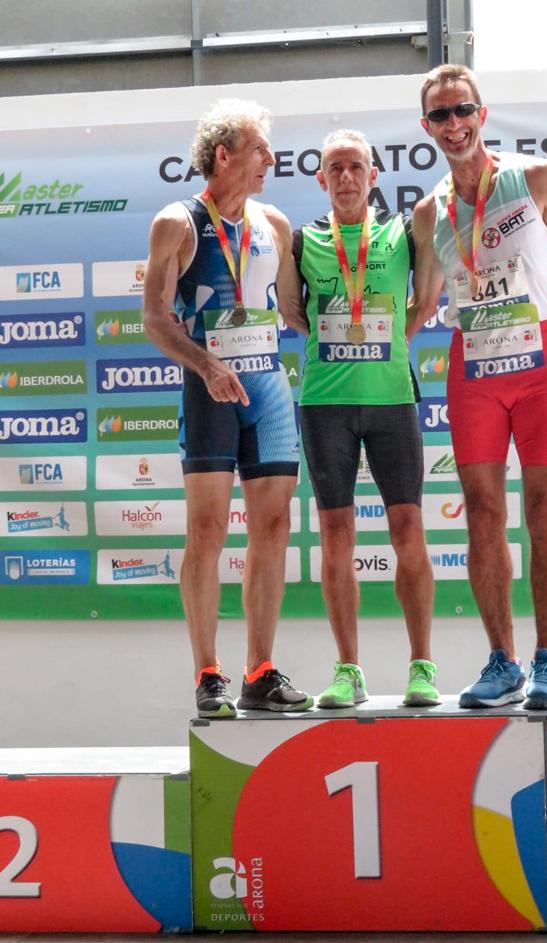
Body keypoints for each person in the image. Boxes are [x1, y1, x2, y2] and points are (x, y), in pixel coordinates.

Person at [409, 65, 547, 711]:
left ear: (482, 114)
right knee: (482, 513)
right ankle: (503, 660)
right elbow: (423, 304)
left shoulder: (535, 178)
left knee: (546, 507)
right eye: (440, 115)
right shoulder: (427, 212)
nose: (453, 124)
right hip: (473, 371)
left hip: (539, 365)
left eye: (461, 110)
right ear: (427, 128)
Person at [143, 99, 313, 717]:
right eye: (261, 149)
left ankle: (260, 670)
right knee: (208, 530)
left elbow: (295, 312)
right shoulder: (178, 222)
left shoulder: (275, 222)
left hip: (267, 386)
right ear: (225, 154)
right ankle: (208, 672)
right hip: (209, 387)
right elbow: (154, 319)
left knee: (273, 527)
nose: (271, 160)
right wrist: (206, 365)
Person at [290, 129, 441, 708]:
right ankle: (348, 670)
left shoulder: (401, 231)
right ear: (321, 179)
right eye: (335, 168)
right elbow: (289, 309)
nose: (347, 177)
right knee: (336, 534)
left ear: (374, 176)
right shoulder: (302, 241)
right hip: (325, 403)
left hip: (391, 400)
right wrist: (341, 342)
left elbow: (424, 300)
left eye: (357, 166)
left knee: (408, 529)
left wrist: (388, 343)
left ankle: (421, 667)